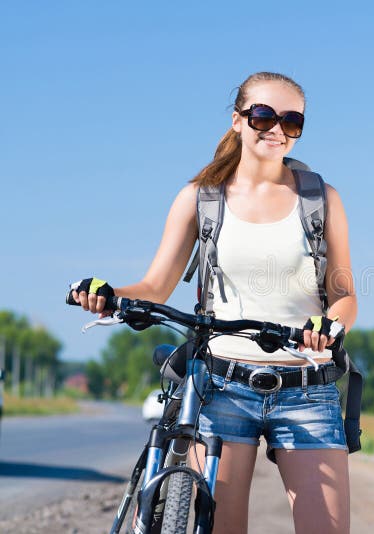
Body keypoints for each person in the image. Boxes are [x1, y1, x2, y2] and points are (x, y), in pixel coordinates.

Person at [70, 71, 357, 534]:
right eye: (263, 115)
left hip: (307, 386)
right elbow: (155, 287)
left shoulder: (321, 199)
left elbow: (344, 295)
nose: (276, 129)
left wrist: (328, 326)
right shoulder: (199, 199)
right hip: (222, 386)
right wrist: (108, 296)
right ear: (238, 121)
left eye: (292, 120)